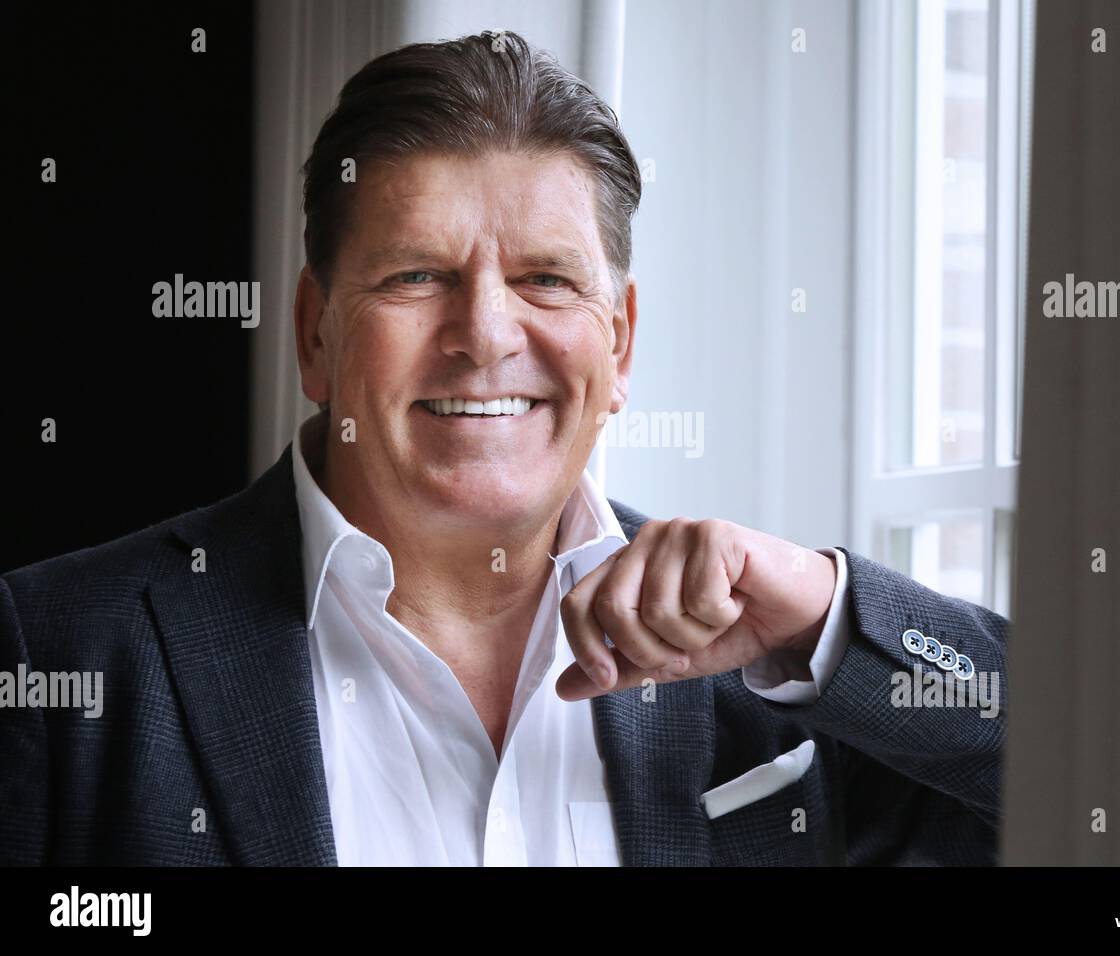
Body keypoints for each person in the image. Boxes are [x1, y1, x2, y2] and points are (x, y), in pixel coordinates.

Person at [0, 31, 1007, 866]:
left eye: (546, 280)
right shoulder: (57, 648)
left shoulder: (775, 664)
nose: (484, 332)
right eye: (416, 275)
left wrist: (832, 616)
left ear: (620, 343)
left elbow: (1109, 786)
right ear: (315, 331)